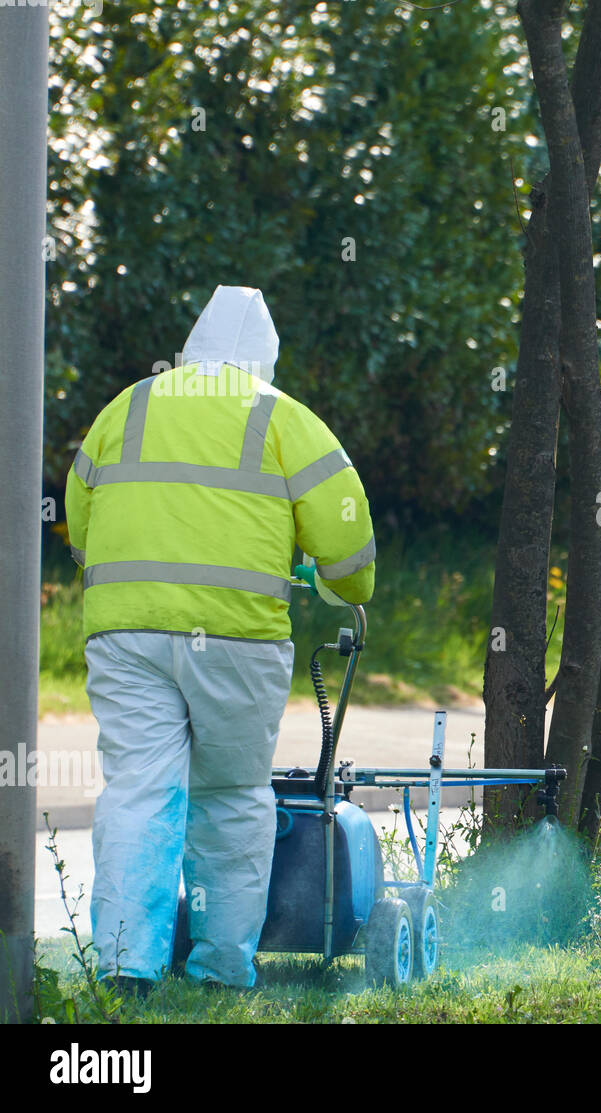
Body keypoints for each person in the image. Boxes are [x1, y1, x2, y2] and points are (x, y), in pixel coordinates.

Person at [65, 285, 375, 991]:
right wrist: (346, 587)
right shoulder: (283, 418)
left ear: (195, 344)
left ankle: (125, 969)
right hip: (236, 640)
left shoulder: (128, 406)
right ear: (263, 360)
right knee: (231, 794)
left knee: (138, 792)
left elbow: (81, 524)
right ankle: (221, 968)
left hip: (125, 633)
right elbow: (348, 540)